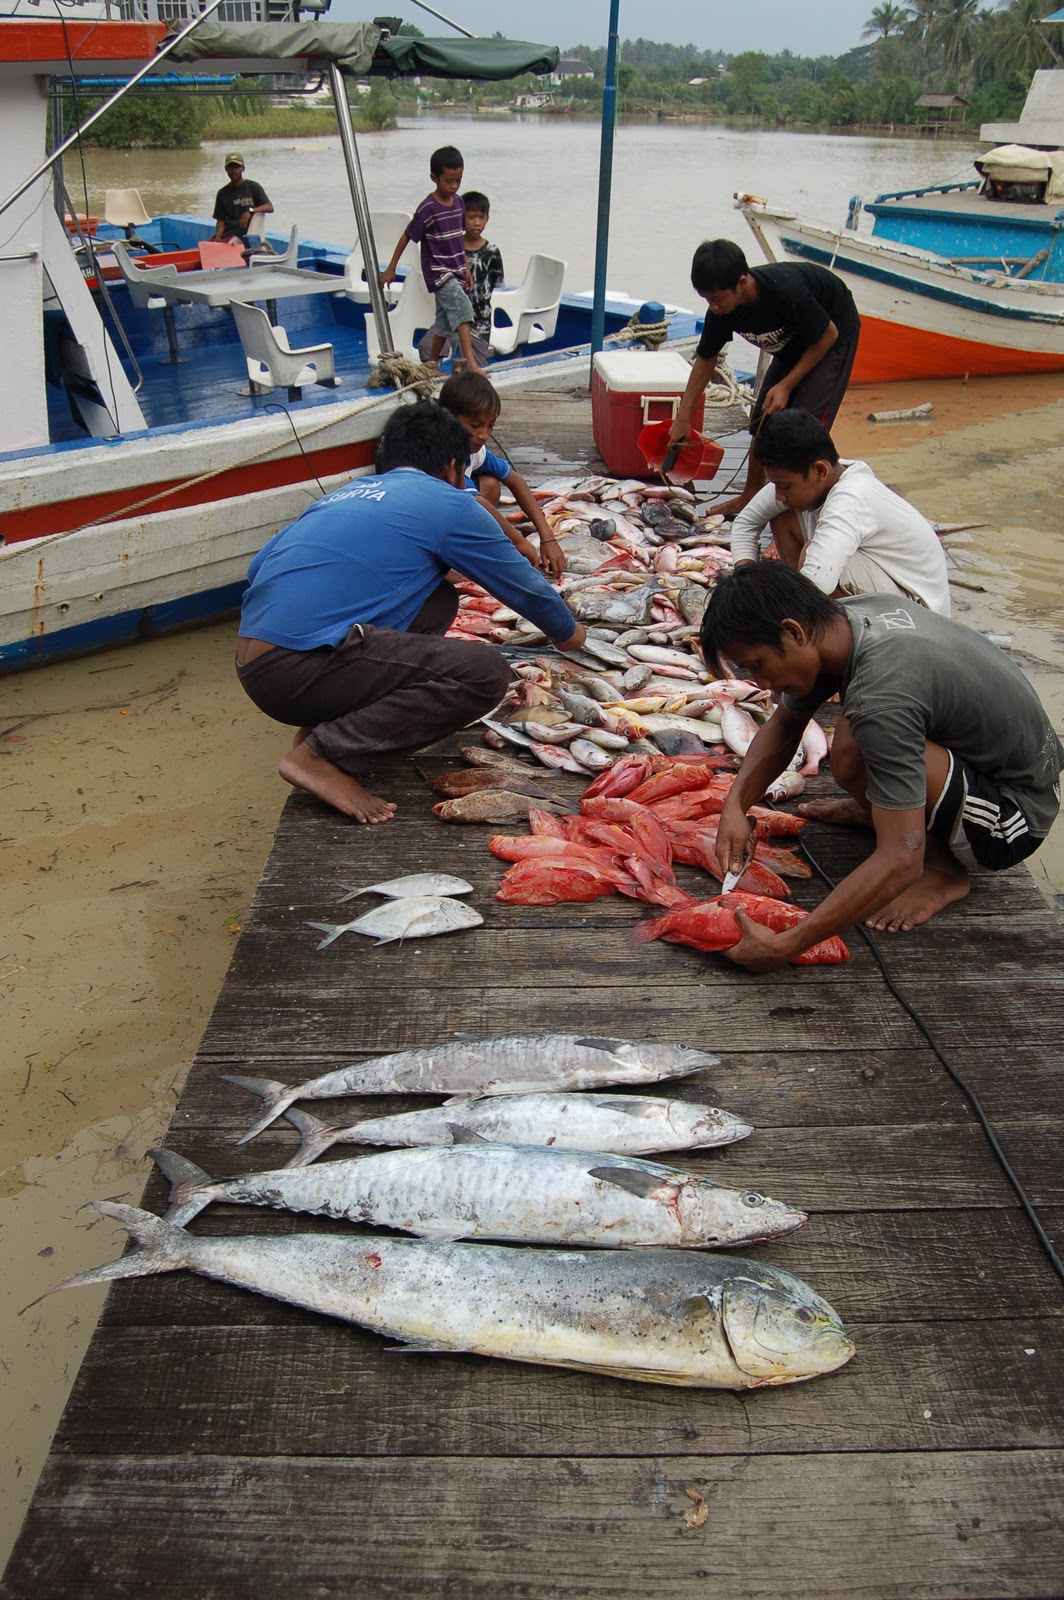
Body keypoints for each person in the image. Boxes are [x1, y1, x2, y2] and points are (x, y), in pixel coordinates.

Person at [234, 402, 585, 824]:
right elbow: (523, 587)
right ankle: (318, 757)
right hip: (297, 670)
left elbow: (257, 572)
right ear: (454, 466)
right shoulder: (449, 502)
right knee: (485, 672)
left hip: (254, 665)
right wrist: (571, 635)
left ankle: (325, 726)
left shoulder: (338, 497)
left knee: (438, 598)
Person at [701, 564, 1063, 968]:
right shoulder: (851, 619)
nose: (761, 683)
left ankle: (944, 871)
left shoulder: (883, 689)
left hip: (1013, 819)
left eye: (757, 665)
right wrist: (735, 806)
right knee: (857, 733)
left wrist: (787, 945)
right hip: (979, 763)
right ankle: (887, 811)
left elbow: (902, 859)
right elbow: (786, 723)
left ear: (794, 632)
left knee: (871, 726)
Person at [669, 239, 860, 518]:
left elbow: (827, 335)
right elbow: (706, 358)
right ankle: (750, 496)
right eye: (707, 300)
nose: (713, 307)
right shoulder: (720, 309)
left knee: (800, 430)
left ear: (742, 282)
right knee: (763, 418)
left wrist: (786, 384)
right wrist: (683, 415)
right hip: (794, 341)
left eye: (717, 298)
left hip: (832, 333)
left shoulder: (785, 292)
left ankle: (803, 517)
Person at [730, 410, 951, 616]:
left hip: (918, 613)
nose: (779, 495)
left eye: (784, 486)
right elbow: (745, 524)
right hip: (879, 586)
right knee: (781, 514)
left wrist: (763, 613)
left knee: (812, 556)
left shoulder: (851, 497)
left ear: (819, 471)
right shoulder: (807, 480)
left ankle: (829, 630)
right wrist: (745, 580)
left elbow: (818, 580)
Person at [438, 371, 566, 581]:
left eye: (490, 426)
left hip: (449, 511)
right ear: (446, 416)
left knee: (490, 483)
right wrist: (517, 540)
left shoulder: (474, 449)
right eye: (475, 425)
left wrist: (547, 536)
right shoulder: (445, 453)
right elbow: (474, 503)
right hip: (425, 522)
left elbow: (513, 479)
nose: (484, 435)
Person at [380, 146, 482, 375]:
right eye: (449, 181)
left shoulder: (459, 203)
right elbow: (407, 235)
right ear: (434, 178)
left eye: (458, 180)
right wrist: (391, 267)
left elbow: (458, 240)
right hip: (438, 272)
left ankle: (431, 364)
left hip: (455, 268)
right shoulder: (428, 208)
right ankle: (472, 363)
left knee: (444, 321)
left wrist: (466, 268)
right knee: (464, 308)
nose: (454, 186)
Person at [418, 190, 504, 370]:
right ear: (460, 217)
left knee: (470, 370)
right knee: (426, 347)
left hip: (479, 322)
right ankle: (433, 375)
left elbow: (495, 284)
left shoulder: (492, 252)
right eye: (471, 217)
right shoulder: (450, 248)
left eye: (481, 217)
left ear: (488, 218)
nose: (477, 223)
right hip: (450, 318)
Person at [212, 153, 273, 248]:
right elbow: (221, 221)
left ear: (243, 168)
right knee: (208, 246)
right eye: (230, 167)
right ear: (226, 169)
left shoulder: (253, 187)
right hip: (229, 233)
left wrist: (250, 210)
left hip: (247, 233)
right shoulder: (222, 193)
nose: (233, 171)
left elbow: (269, 207)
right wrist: (218, 237)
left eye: (237, 167)